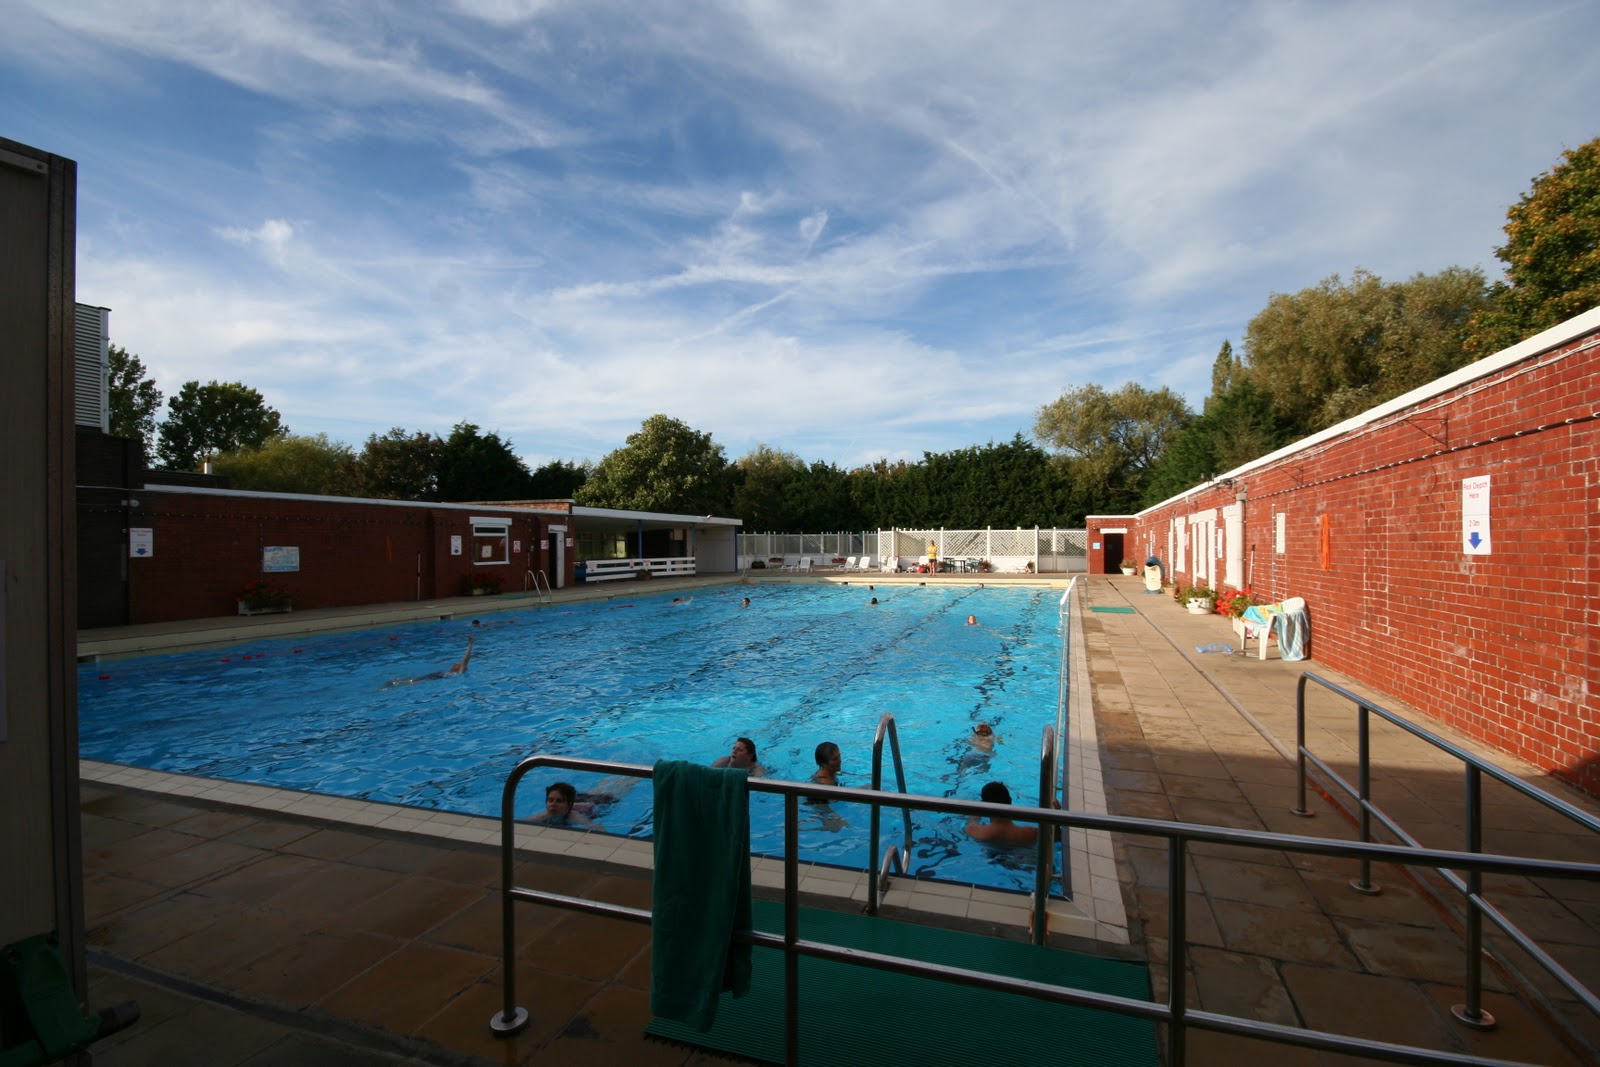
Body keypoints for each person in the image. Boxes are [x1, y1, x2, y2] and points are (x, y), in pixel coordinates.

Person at [381, 634, 473, 687]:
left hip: (433, 678)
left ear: (460, 668)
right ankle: (392, 684)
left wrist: (470, 643)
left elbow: (466, 660)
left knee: (411, 682)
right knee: (404, 680)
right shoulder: (449, 672)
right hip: (431, 676)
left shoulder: (458, 673)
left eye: (458, 664)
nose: (455, 664)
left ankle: (388, 689)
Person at [964, 781, 1037, 847]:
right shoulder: (1032, 833)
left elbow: (972, 821)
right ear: (1010, 800)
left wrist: (978, 809)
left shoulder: (975, 831)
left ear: (984, 806)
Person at [524, 781, 602, 830]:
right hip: (576, 800)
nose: (553, 804)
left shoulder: (574, 817)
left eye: (559, 801)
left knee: (603, 790)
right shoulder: (543, 816)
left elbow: (598, 828)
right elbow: (521, 822)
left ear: (568, 806)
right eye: (550, 800)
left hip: (594, 803)